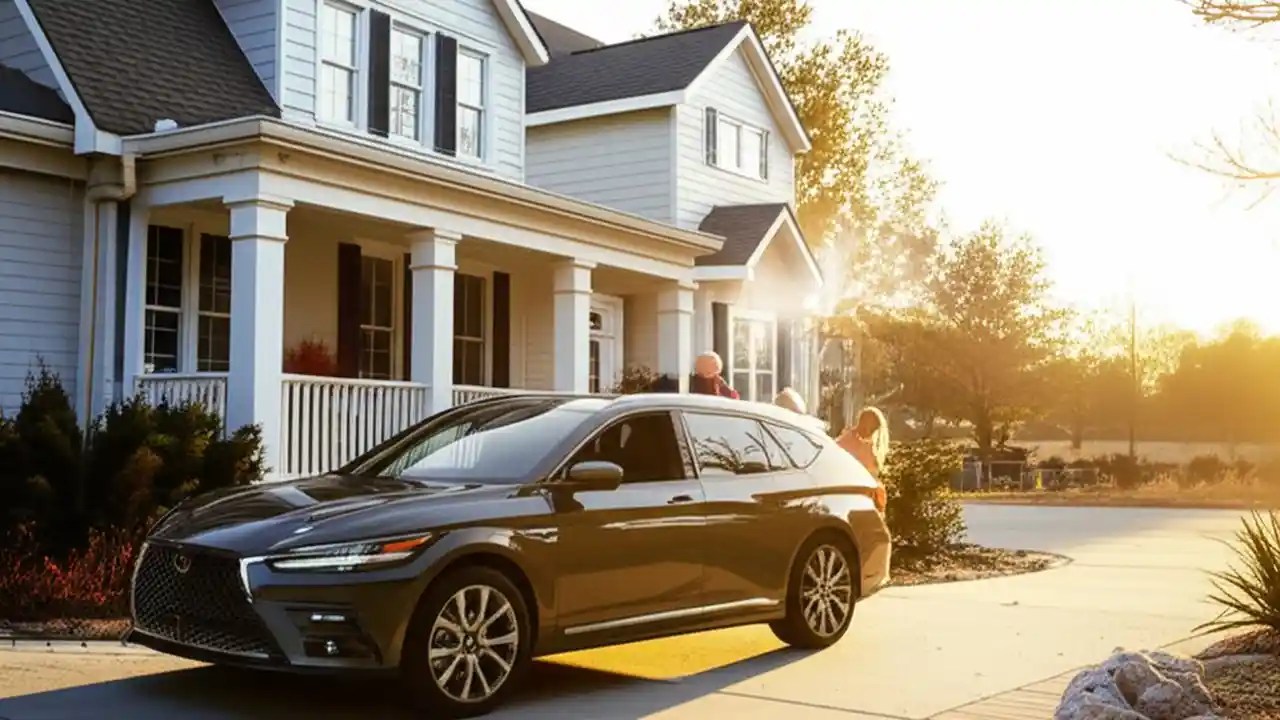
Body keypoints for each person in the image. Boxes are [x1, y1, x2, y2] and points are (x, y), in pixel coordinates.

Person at [837, 406, 889, 478]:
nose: (872, 434)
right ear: (864, 424)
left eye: (875, 430)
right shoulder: (848, 441)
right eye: (872, 429)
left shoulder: (866, 445)